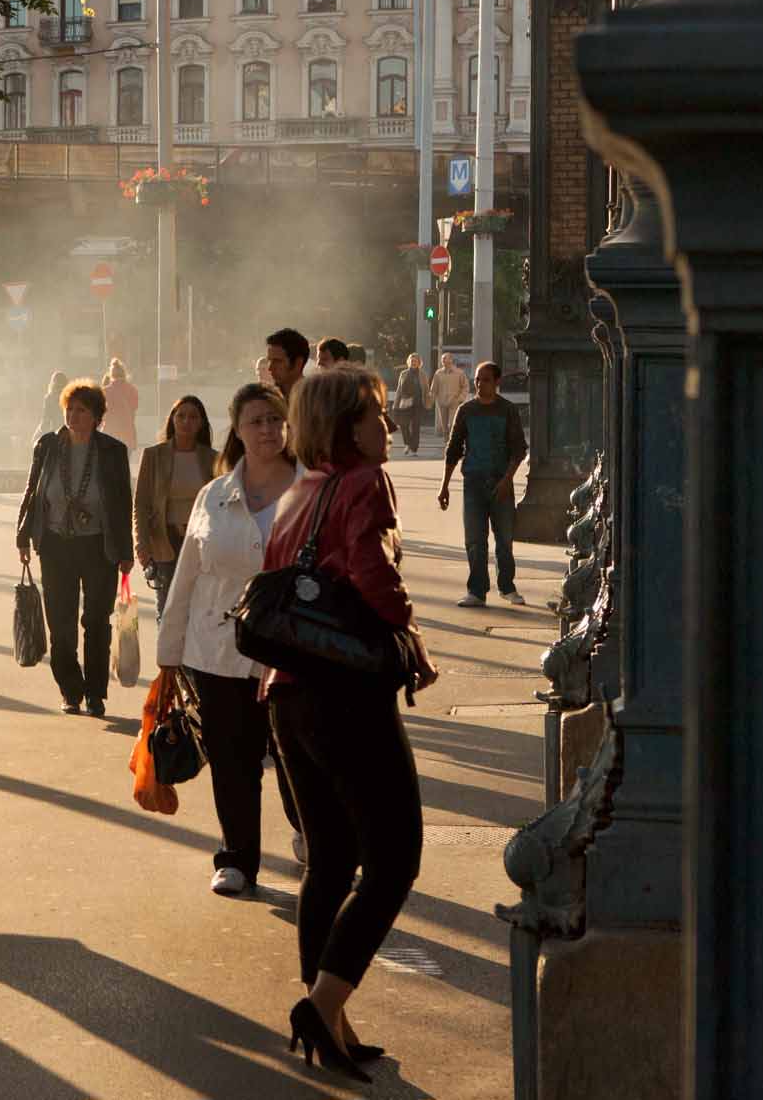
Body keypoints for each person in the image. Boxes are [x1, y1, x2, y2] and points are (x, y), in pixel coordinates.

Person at [264, 365, 431, 1081]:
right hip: (347, 695)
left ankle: (329, 1016)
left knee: (330, 860)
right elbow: (372, 573)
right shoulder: (363, 484)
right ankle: (320, 1005)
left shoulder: (299, 492)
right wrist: (410, 636)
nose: (387, 429)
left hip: (289, 694)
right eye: (376, 417)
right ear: (346, 425)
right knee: (394, 859)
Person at [158, 383, 302, 897]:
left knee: (295, 756)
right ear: (238, 431)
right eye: (254, 421)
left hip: (292, 651)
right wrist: (169, 654)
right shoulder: (213, 496)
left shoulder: (311, 491)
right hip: (216, 649)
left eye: (274, 420)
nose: (266, 429)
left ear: (287, 427)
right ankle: (237, 858)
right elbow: (187, 576)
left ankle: (310, 831)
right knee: (232, 760)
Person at [15, 379, 133, 716]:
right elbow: (32, 491)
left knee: (97, 621)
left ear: (96, 416)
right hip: (55, 546)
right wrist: (23, 534)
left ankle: (96, 693)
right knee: (61, 624)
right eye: (70, 408)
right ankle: (70, 689)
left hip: (99, 547)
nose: (73, 415)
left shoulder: (112, 451)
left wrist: (126, 552)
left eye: (81, 410)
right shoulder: (48, 446)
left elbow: (122, 503)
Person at [438, 361, 530, 607]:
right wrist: (444, 485)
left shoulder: (507, 411)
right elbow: (454, 449)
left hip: (501, 483)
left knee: (504, 539)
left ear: (497, 382)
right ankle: (477, 590)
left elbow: (518, 450)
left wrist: (506, 480)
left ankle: (507, 587)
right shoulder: (466, 410)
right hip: (474, 482)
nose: (480, 384)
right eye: (477, 379)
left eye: (486, 379)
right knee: (475, 540)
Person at [133, 395, 216, 621]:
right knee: (167, 609)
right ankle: (167, 656)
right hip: (164, 541)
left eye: (193, 417)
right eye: (181, 416)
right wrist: (141, 541)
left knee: (197, 610)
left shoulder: (212, 459)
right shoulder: (153, 456)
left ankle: (191, 656)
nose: (186, 422)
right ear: (172, 420)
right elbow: (141, 502)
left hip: (200, 542)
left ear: (201, 423)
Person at [391, 354, 428, 456]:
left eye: (415, 361)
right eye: (412, 361)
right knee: (404, 425)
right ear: (409, 362)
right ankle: (407, 443)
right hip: (405, 403)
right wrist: (396, 404)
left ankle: (414, 449)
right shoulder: (403, 373)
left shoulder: (423, 375)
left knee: (416, 426)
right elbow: (399, 390)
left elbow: (426, 390)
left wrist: (428, 401)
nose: (413, 363)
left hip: (418, 404)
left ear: (419, 363)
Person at [102, 359, 141, 450]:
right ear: (124, 373)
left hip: (110, 433)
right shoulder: (132, 390)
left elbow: (102, 413)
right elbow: (134, 408)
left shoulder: (105, 391)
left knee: (109, 463)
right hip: (128, 433)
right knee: (125, 462)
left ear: (110, 374)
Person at [428, 352, 469, 438]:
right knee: (444, 426)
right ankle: (446, 441)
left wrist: (460, 399)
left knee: (452, 424)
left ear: (451, 360)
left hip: (454, 402)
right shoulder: (438, 373)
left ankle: (452, 441)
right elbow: (433, 389)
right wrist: (431, 401)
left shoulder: (459, 373)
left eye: (445, 359)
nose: (443, 361)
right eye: (442, 360)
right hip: (442, 403)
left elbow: (465, 387)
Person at [265, 328, 311, 401]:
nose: (270, 368)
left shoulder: (314, 400)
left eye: (277, 361)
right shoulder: (268, 401)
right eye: (269, 360)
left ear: (298, 363)